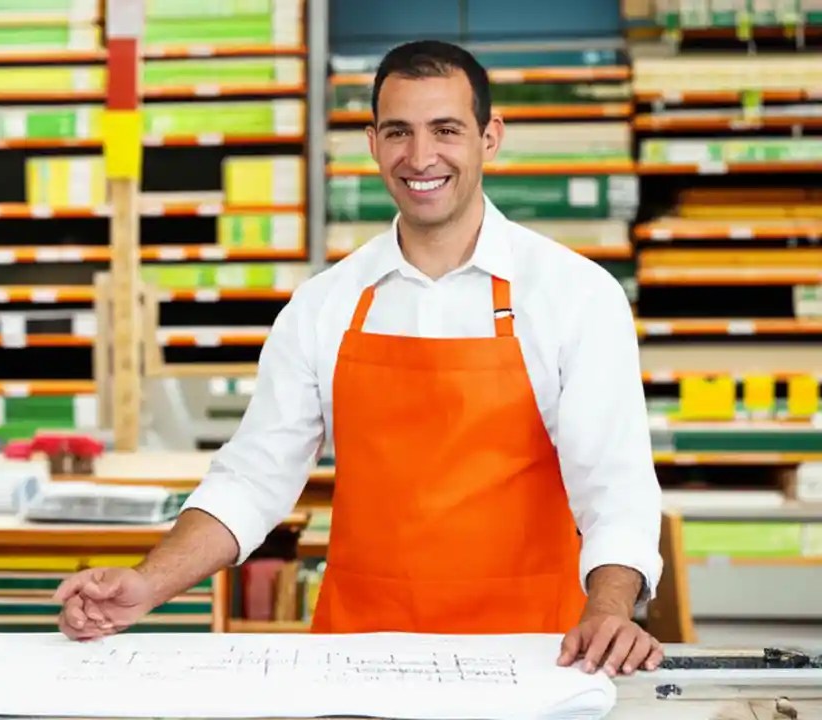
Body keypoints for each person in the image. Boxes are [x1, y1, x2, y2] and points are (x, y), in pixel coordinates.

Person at [55, 39, 665, 677]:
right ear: (373, 143)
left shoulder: (575, 295)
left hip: (532, 655)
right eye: (398, 132)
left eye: (446, 130)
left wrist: (609, 610)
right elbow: (254, 479)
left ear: (490, 138)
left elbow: (614, 486)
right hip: (359, 660)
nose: (420, 157)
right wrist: (149, 582)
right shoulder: (326, 303)